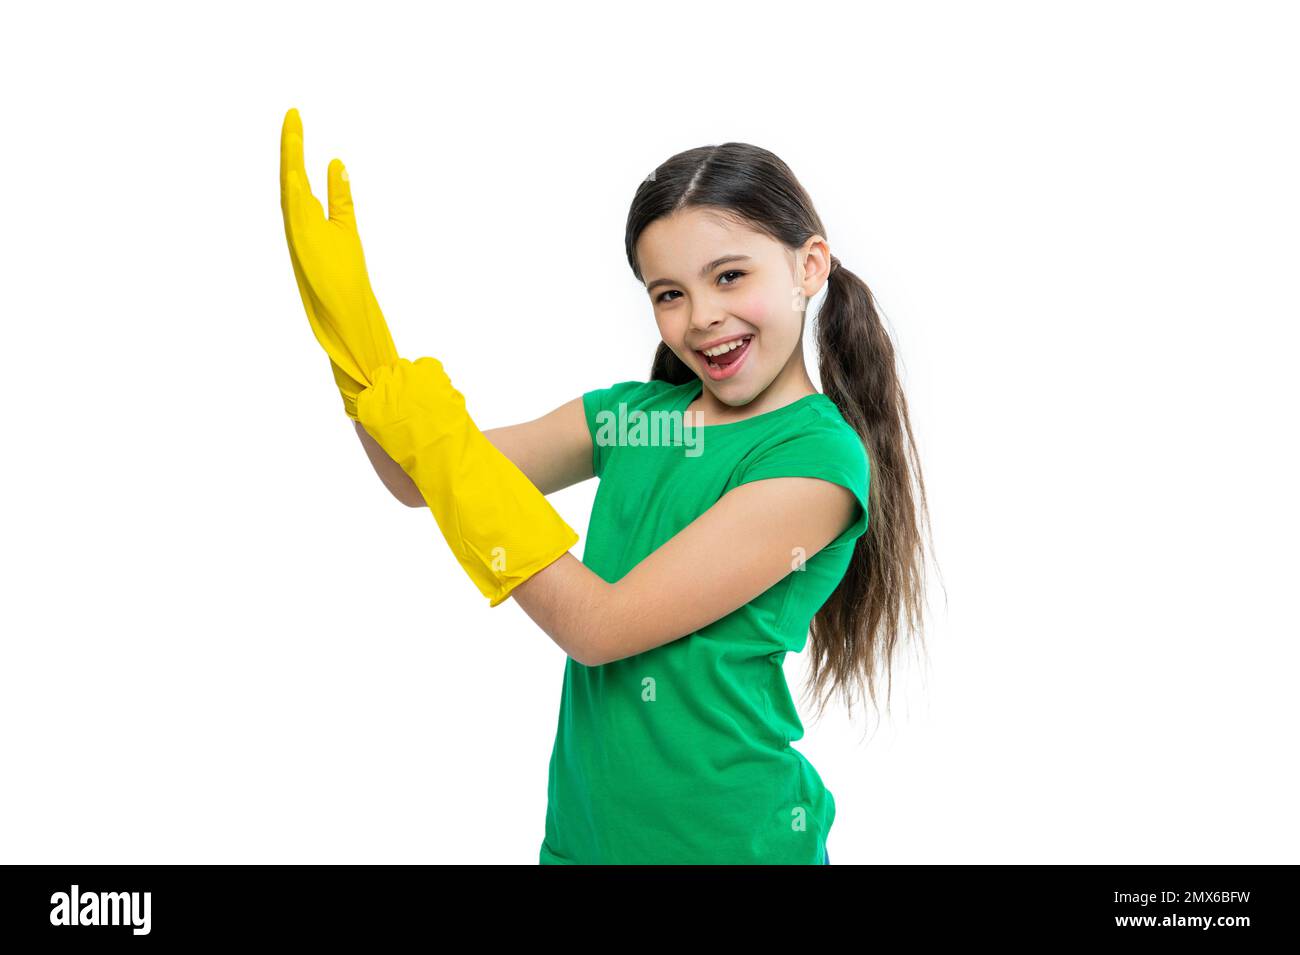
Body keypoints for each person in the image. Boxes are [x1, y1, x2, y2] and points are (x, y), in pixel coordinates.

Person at [281, 111, 932, 865]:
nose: (703, 317)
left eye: (729, 275)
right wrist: (358, 354)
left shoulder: (817, 460)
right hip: (584, 842)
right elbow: (415, 478)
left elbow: (599, 625)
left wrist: (438, 439)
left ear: (808, 266)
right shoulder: (627, 418)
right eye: (669, 293)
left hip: (731, 845)